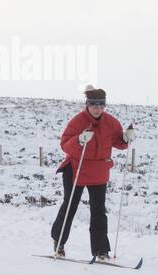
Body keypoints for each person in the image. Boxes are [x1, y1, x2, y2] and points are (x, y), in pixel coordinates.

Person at [50, 86, 131, 260]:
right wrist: (79, 140)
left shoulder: (111, 122)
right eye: (94, 106)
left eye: (101, 106)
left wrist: (126, 138)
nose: (98, 109)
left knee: (99, 212)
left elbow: (119, 142)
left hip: (99, 172)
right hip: (75, 169)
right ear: (87, 105)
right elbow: (65, 144)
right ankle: (59, 243)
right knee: (70, 207)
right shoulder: (77, 121)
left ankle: (101, 251)